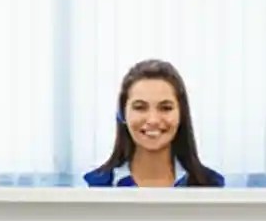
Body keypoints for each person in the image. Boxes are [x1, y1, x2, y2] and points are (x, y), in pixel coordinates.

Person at [84, 59, 225, 187]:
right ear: (122, 114)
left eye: (165, 108)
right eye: (140, 107)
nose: (153, 120)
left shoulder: (210, 185)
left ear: (181, 114)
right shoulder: (96, 185)